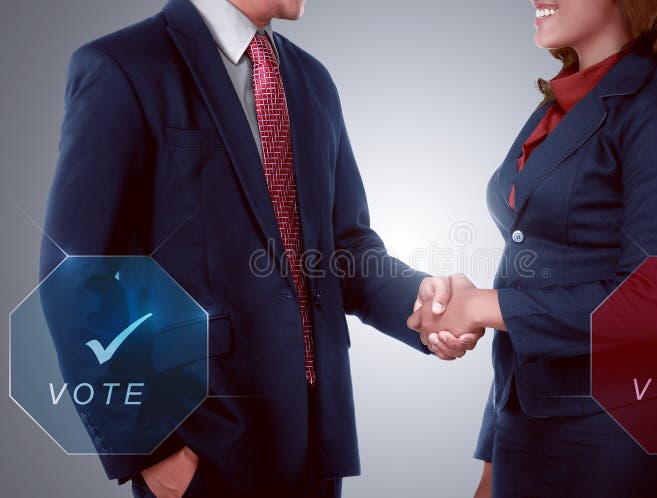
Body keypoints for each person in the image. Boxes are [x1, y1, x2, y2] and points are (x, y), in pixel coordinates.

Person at [41, 0, 482, 496]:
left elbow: (344, 250)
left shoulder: (313, 81)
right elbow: (76, 274)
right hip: (202, 447)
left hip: (318, 448)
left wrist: (423, 300)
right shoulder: (123, 67)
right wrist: (152, 448)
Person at [408, 0, 657, 496]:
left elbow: (649, 302)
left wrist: (481, 306)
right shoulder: (557, 105)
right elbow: (529, 273)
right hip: (525, 426)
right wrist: (493, 452)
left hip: (624, 430)